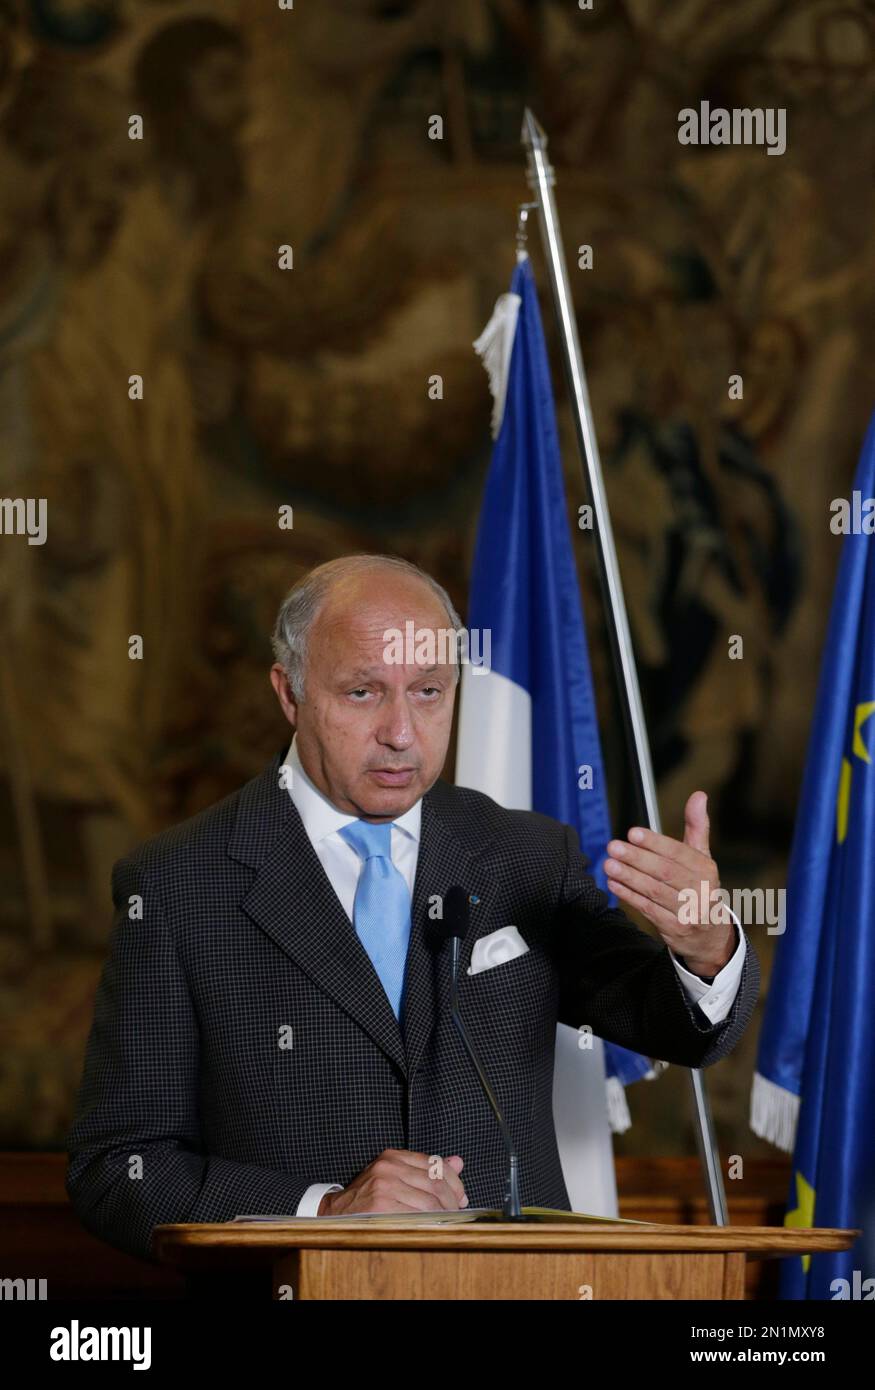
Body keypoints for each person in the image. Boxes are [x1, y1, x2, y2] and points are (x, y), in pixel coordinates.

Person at [66, 553, 759, 1260]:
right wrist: (323, 1209)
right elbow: (118, 1169)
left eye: (428, 691)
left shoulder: (524, 854)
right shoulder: (178, 884)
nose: (401, 732)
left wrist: (704, 946)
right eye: (363, 693)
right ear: (289, 693)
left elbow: (671, 1023)